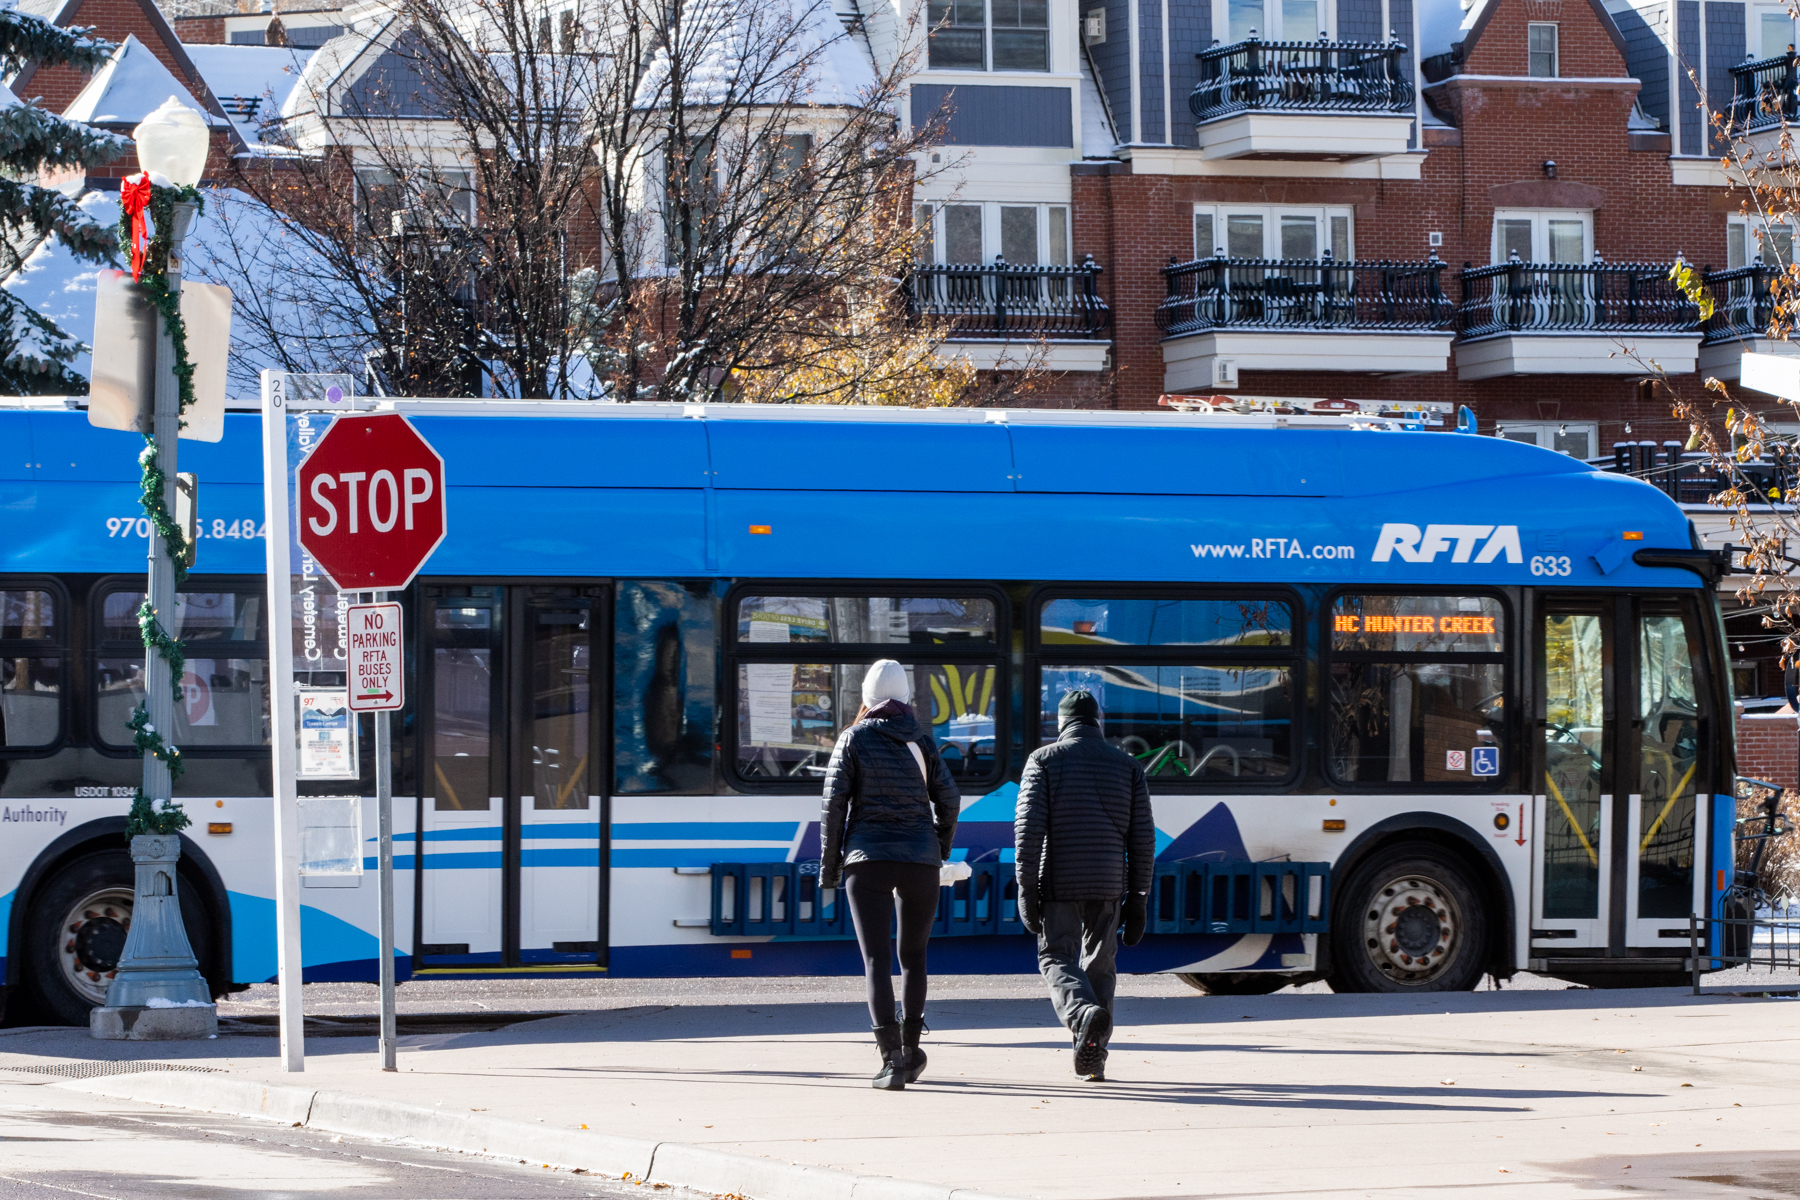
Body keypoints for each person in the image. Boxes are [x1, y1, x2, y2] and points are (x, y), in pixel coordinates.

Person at [819, 659, 960, 1090]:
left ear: (866, 697)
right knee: (913, 958)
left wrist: (830, 866)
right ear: (904, 698)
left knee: (877, 960)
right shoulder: (922, 741)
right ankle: (913, 1051)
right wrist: (938, 848)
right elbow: (950, 800)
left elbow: (833, 807)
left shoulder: (853, 738)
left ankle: (891, 1060)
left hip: (868, 859)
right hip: (921, 860)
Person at [1014, 689, 1153, 1082]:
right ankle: (1095, 1056)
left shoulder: (1043, 761)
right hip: (1110, 883)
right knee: (1101, 965)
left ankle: (1081, 1015)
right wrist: (1139, 896)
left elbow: (1028, 833)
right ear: (1098, 722)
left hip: (1060, 882)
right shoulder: (1127, 766)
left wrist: (1026, 889)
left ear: (1061, 724)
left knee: (1056, 958)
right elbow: (1142, 838)